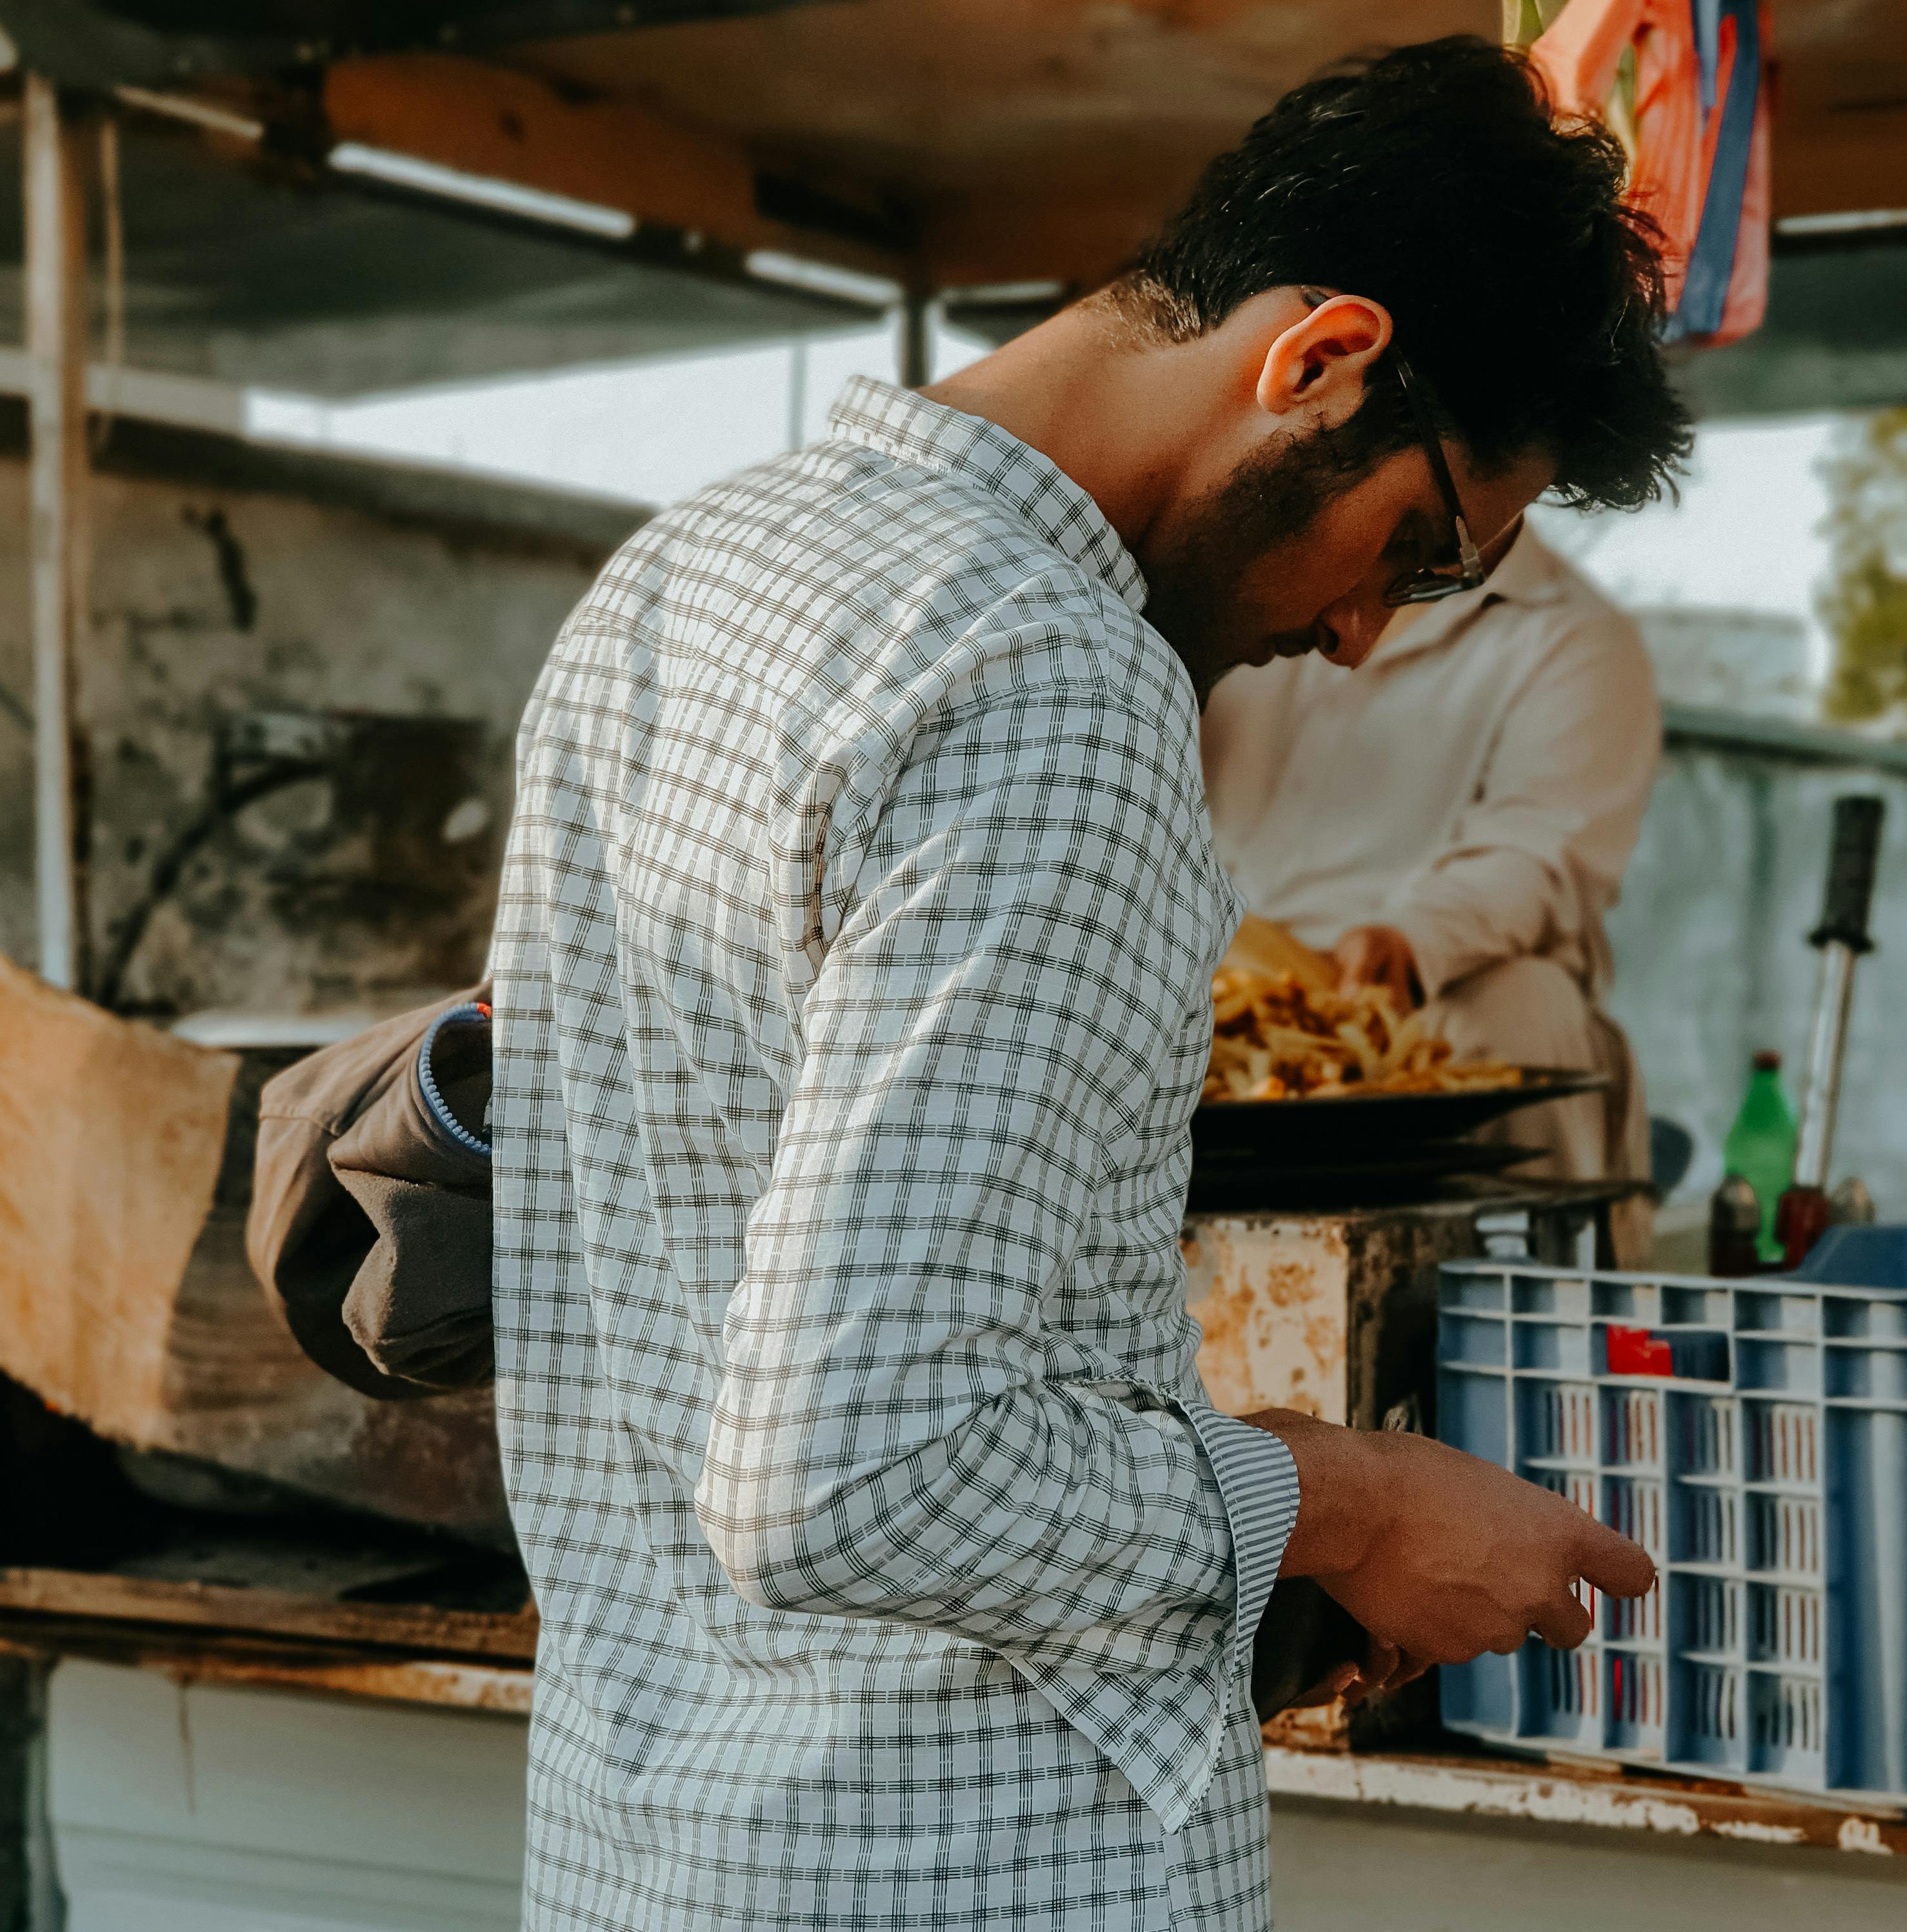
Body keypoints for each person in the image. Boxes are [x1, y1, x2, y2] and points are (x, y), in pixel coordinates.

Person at [492, 36, 1688, 1932]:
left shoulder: (673, 578)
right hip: (963, 1869)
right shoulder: (1055, 687)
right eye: (1417, 550)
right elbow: (853, 1476)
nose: (1365, 629)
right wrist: (1354, 1500)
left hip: (643, 1843)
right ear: (1316, 362)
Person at [1201, 517, 1660, 1186]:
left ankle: (1518, 1275)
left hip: (1408, 997)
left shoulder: (1572, 636)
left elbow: (1536, 851)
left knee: (1520, 1006)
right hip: (1216, 987)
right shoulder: (1255, 584)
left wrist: (1410, 945)